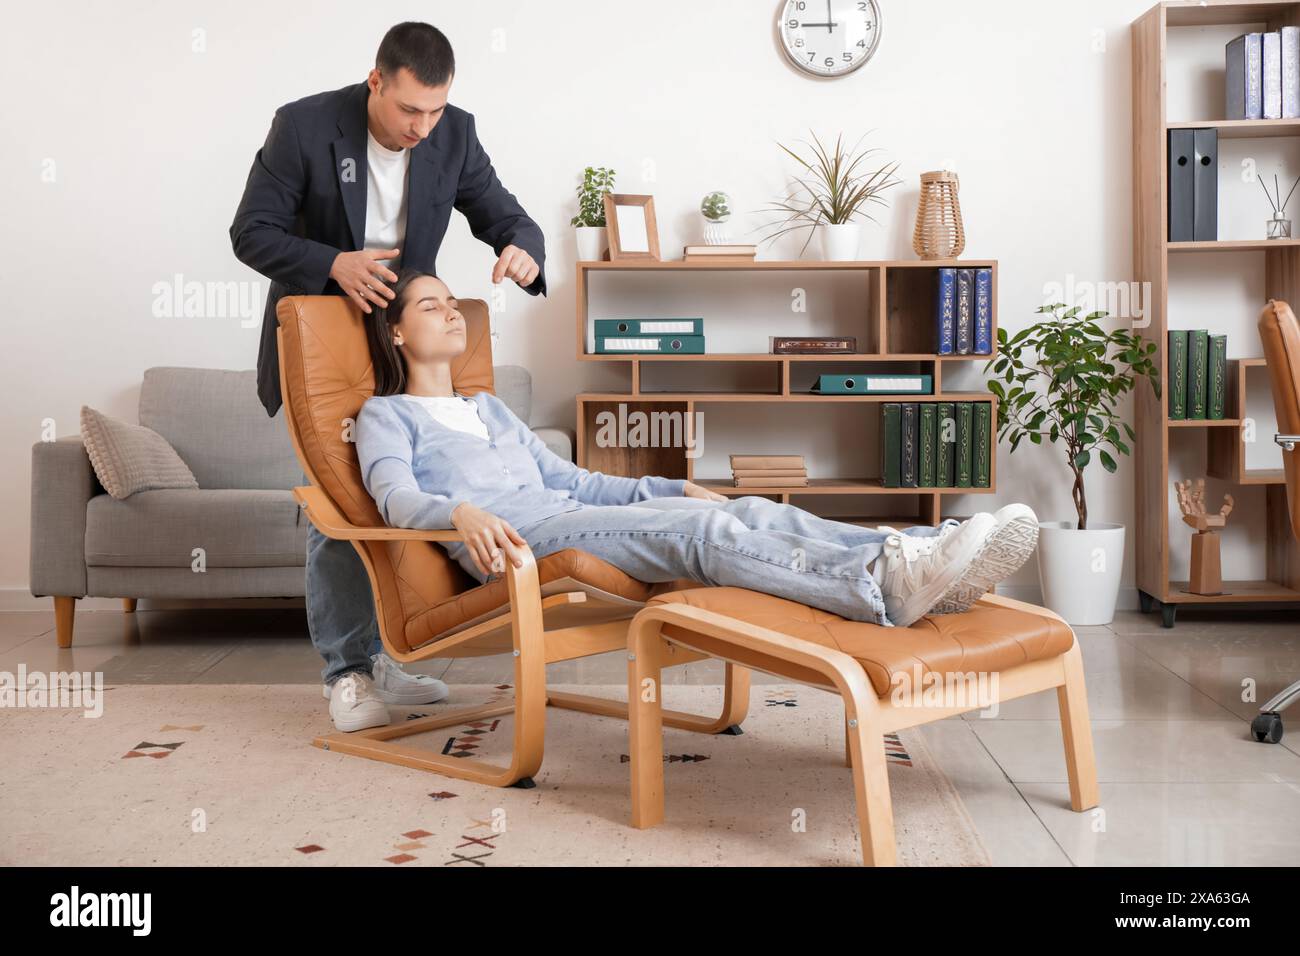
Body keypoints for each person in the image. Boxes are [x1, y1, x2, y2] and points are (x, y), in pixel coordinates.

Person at [337, 271, 1041, 733]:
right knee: (700, 536)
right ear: (395, 331)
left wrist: (671, 486)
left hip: (571, 517)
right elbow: (395, 498)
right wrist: (459, 514)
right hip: (517, 548)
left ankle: (907, 551)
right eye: (429, 305)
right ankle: (878, 583)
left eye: (453, 302)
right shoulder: (384, 415)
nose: (451, 311)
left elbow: (575, 482)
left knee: (739, 510)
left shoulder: (488, 407)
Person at [228, 23, 547, 728]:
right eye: (409, 110)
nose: (422, 127)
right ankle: (346, 672)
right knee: (341, 503)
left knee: (402, 495)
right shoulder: (303, 126)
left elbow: (506, 216)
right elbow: (250, 231)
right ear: (376, 82)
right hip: (323, 339)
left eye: (434, 111)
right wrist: (330, 263)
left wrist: (522, 248)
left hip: (400, 342)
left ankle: (385, 658)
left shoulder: (454, 133)